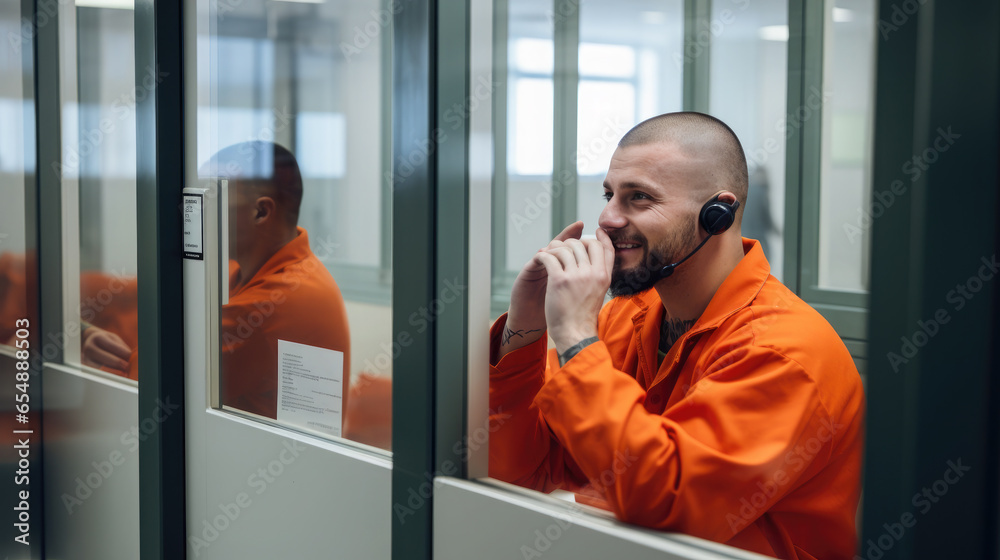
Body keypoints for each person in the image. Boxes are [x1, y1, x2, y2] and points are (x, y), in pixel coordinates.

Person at [489, 112, 864, 559]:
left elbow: (669, 505)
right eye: (609, 194)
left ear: (717, 214)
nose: (607, 219)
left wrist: (574, 335)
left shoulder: (785, 352)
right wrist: (525, 329)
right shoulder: (624, 317)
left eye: (639, 198)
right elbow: (519, 470)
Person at [82, 142, 351, 421]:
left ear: (261, 212)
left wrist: (85, 345)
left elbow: (147, 381)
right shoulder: (261, 268)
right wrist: (85, 327)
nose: (194, 213)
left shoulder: (278, 301)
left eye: (210, 199)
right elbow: (142, 300)